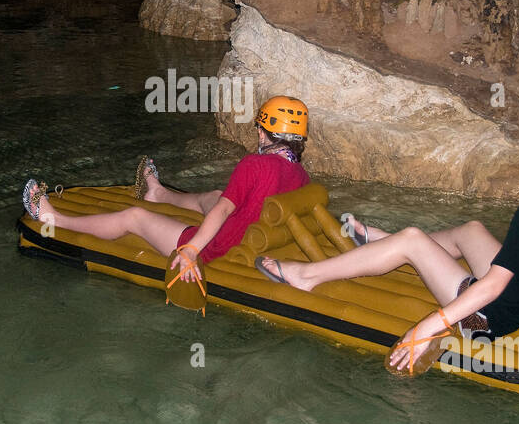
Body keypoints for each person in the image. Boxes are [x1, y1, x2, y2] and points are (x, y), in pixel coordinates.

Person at [256, 113, 519, 374]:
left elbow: (494, 285)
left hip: (489, 321)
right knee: (471, 230)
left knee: (413, 239)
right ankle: (381, 242)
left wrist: (430, 325)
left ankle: (308, 275)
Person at [23, 96, 311, 288]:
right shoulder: (301, 174)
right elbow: (226, 203)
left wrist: (192, 250)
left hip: (220, 246)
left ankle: (55, 220)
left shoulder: (254, 164)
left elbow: (224, 211)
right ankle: (158, 194)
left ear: (263, 132)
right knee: (214, 195)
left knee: (135, 217)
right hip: (252, 232)